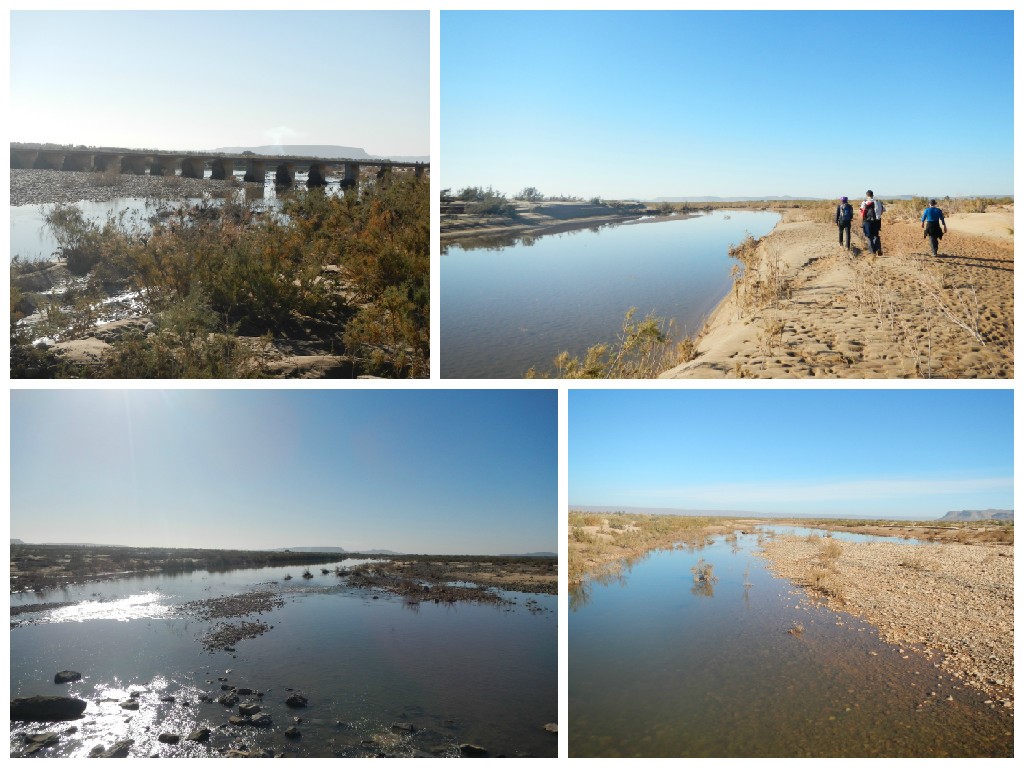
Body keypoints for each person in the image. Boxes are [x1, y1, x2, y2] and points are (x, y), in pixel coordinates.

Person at [860, 190, 884, 255]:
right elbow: (882, 210)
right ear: (872, 195)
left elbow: (862, 212)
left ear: (867, 195)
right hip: (877, 221)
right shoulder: (878, 202)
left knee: (869, 236)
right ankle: (878, 248)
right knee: (876, 235)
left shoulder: (864, 202)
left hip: (867, 221)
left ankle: (872, 251)